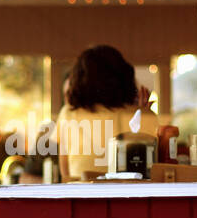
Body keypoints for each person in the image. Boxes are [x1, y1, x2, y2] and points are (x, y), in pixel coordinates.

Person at [55, 45, 158, 181]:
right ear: (124, 77)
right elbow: (153, 169)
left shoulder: (68, 113)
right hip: (129, 197)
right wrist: (140, 113)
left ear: (79, 80)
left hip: (82, 195)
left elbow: (66, 173)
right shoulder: (145, 116)